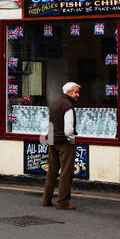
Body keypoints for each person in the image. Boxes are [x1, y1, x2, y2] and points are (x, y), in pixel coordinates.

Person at [42, 81, 82, 210]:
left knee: (51, 171)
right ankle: (63, 202)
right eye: (76, 92)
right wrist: (72, 141)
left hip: (53, 140)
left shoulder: (55, 103)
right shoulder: (68, 106)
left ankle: (46, 199)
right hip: (64, 142)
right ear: (69, 92)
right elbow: (68, 130)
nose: (78, 95)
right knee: (66, 172)